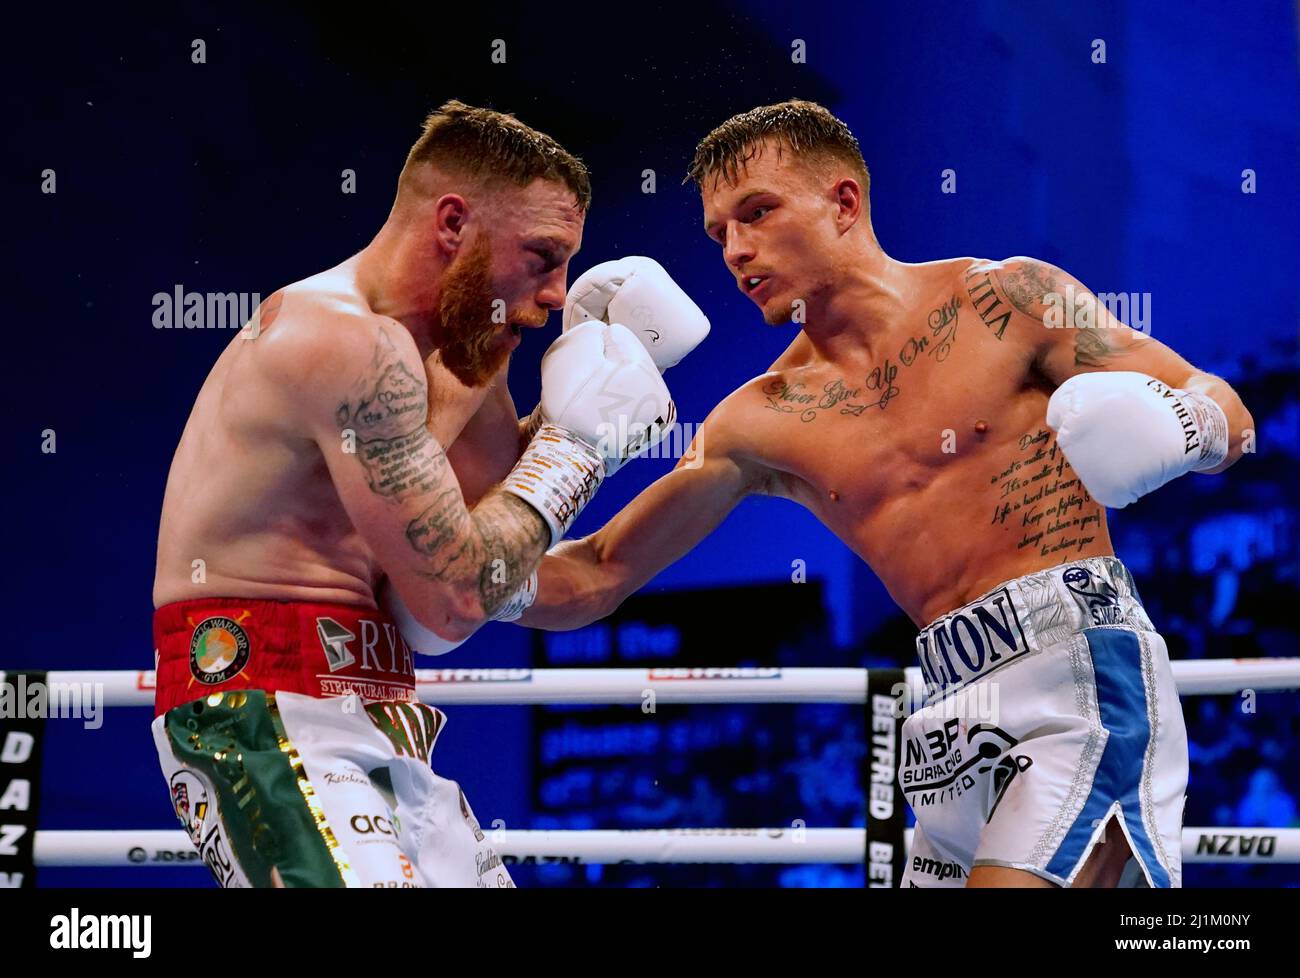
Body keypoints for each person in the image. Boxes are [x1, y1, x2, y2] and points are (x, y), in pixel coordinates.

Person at [519, 100, 1255, 888]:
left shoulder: (1005, 300)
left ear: (844, 202)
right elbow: (593, 575)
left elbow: (1226, 409)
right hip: (945, 729)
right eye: (718, 233)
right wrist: (466, 554)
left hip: (1079, 681)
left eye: (757, 213)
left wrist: (1188, 425)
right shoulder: (759, 418)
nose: (735, 250)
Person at [151, 99, 707, 887]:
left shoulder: (463, 357)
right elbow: (454, 597)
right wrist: (579, 446)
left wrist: (589, 392)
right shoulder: (340, 340)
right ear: (453, 224)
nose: (555, 295)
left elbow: (493, 553)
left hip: (385, 709)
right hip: (258, 704)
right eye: (543, 257)